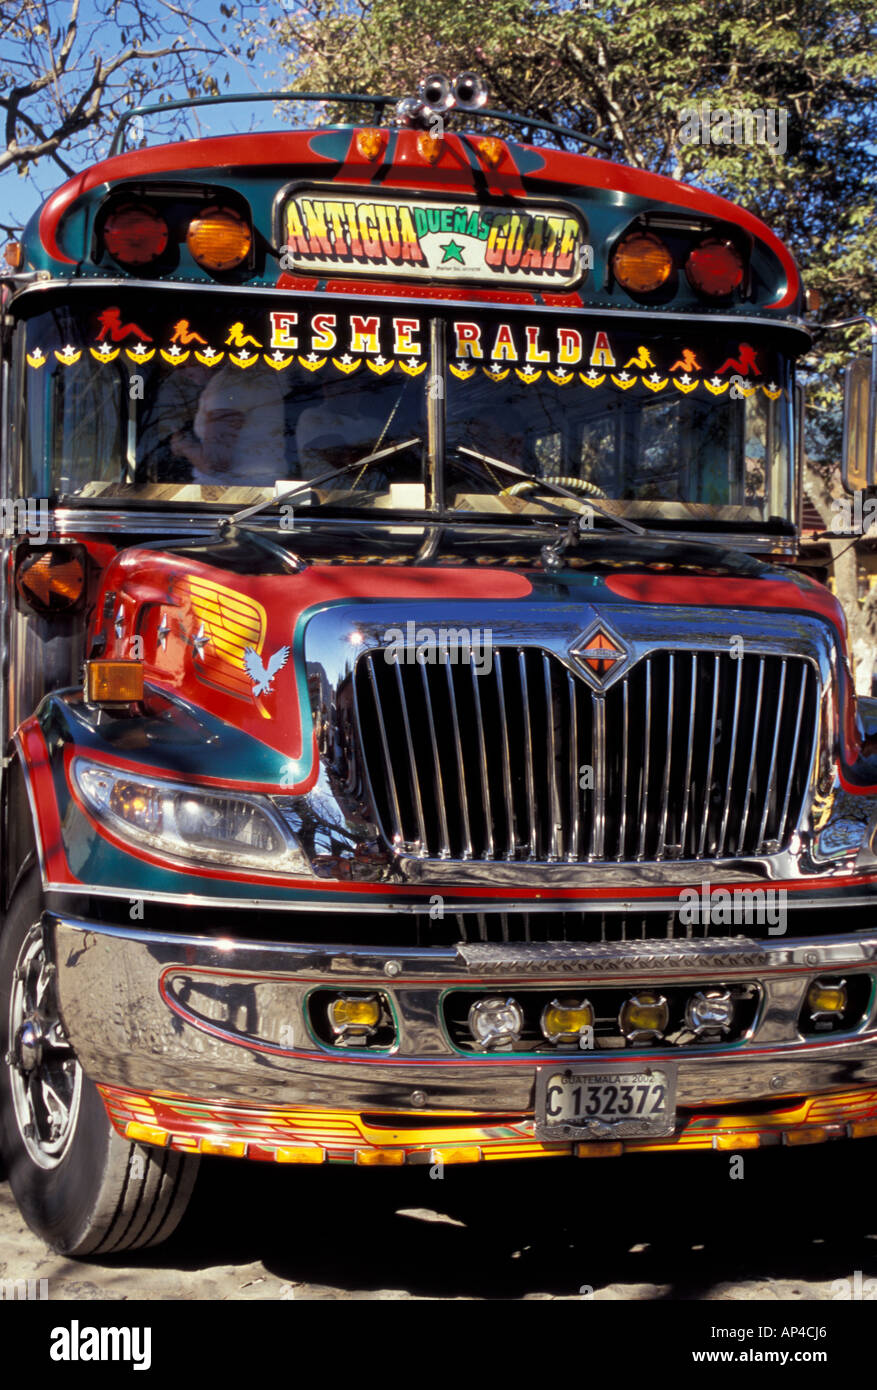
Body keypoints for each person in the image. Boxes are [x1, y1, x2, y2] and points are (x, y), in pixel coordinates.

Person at [171, 366, 287, 485]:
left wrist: (183, 444)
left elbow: (213, 464)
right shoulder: (259, 376)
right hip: (256, 487)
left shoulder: (227, 383)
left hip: (230, 490)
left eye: (183, 363)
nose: (178, 371)